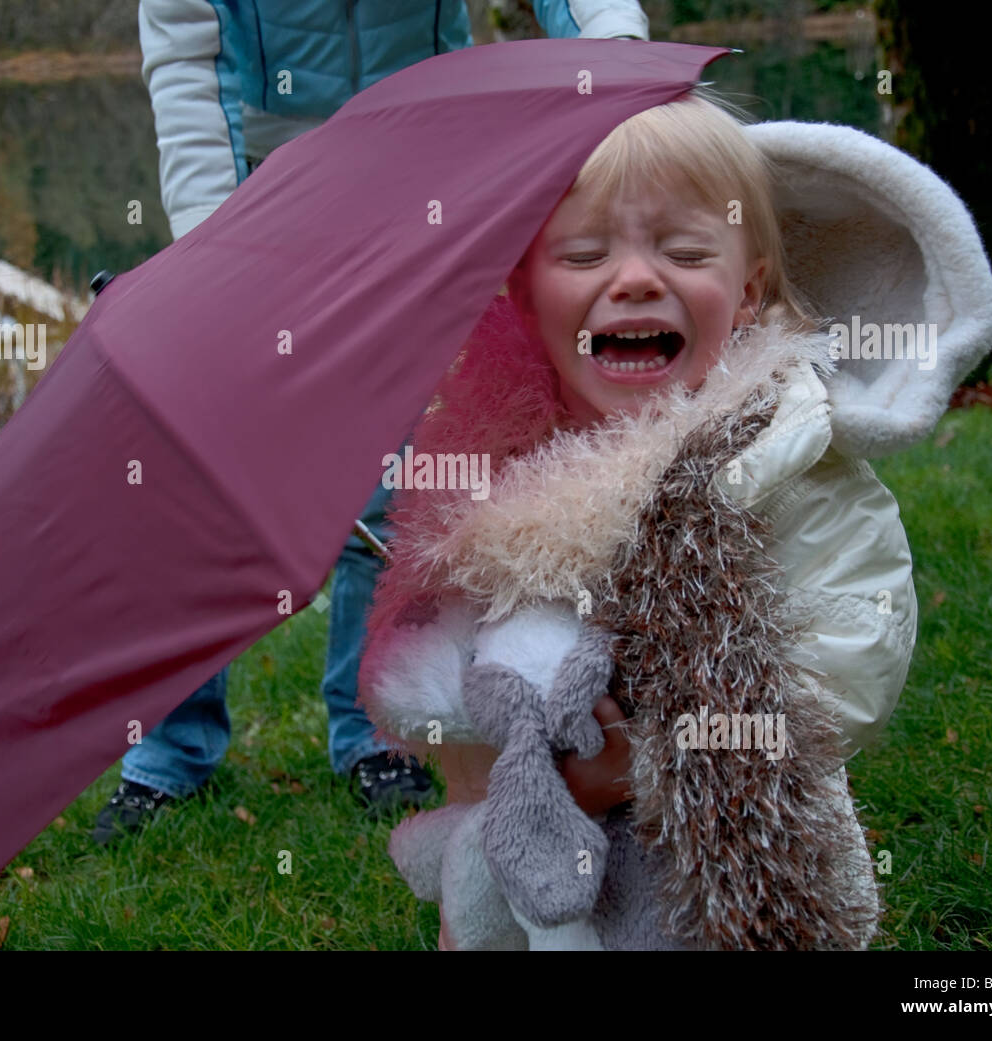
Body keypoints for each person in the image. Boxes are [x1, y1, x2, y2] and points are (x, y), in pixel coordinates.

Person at [357, 89, 953, 948]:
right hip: (544, 836)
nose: (635, 277)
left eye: (682, 249)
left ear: (746, 292)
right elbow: (462, 664)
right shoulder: (500, 470)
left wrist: (659, 753)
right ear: (526, 299)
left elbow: (857, 639)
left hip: (731, 843)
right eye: (586, 252)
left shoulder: (774, 449)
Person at [94, 0, 652, 841]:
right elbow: (185, 59)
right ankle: (169, 752)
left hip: (422, 169)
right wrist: (212, 253)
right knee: (194, 475)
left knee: (399, 466)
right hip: (261, 179)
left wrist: (622, 75)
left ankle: (368, 734)